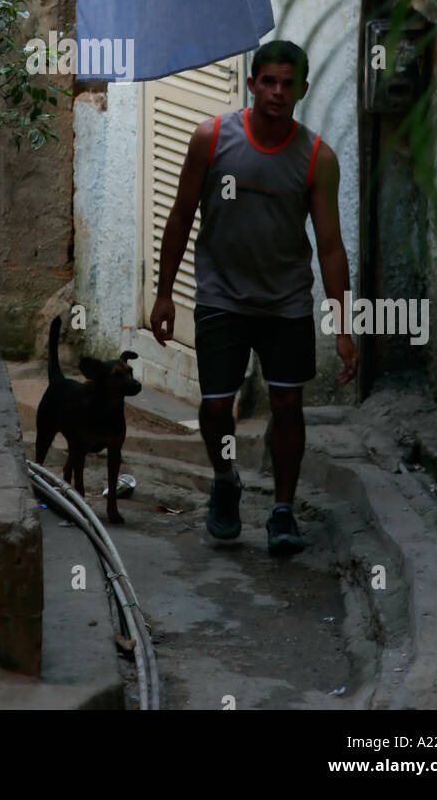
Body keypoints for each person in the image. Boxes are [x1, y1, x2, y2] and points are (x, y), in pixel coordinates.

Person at [150, 39, 358, 556]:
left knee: (287, 403)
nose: (278, 92)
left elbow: (331, 249)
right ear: (252, 84)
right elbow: (179, 217)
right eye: (269, 81)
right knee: (218, 404)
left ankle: (282, 511)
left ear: (302, 89)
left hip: (286, 302)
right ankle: (225, 479)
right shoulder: (213, 138)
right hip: (221, 295)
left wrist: (345, 326)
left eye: (289, 84)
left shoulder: (316, 158)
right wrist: (163, 294)